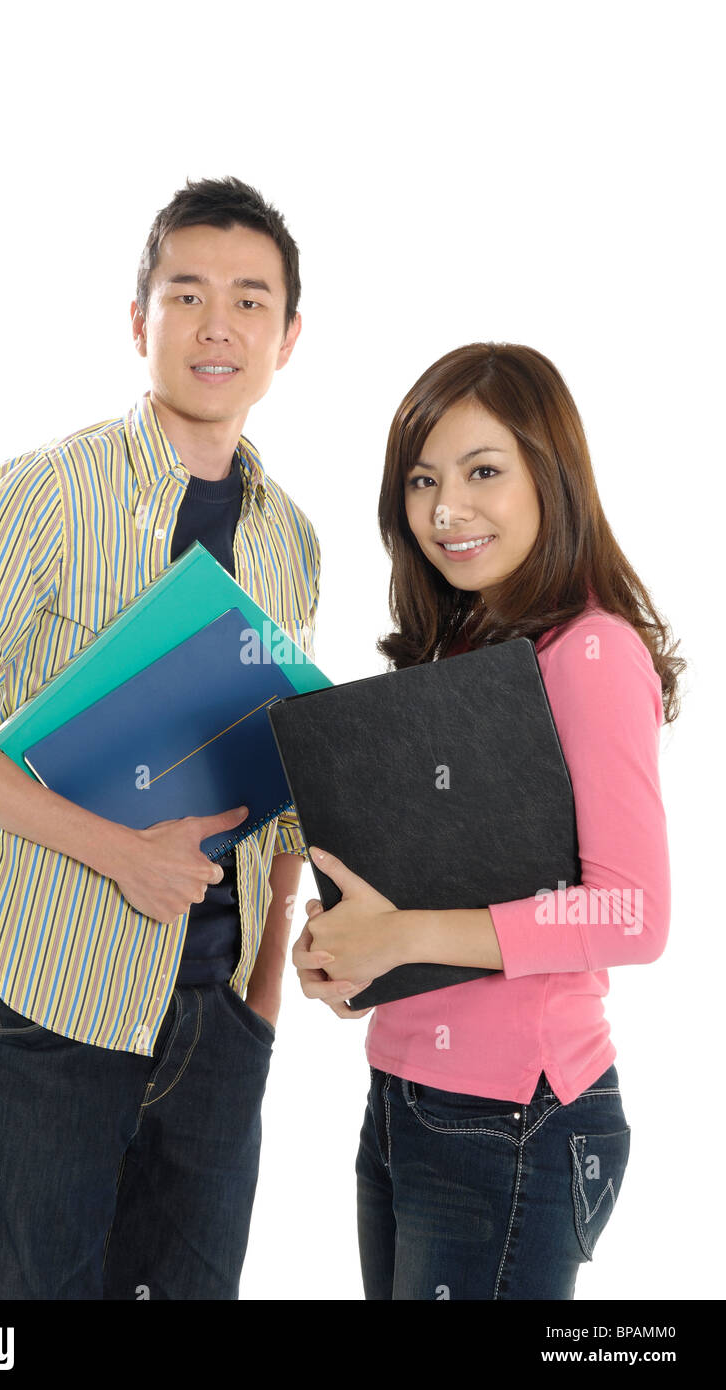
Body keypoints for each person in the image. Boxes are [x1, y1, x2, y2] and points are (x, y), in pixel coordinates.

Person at [0, 175, 320, 1300]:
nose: (217, 325)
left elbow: (281, 779)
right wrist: (117, 852)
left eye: (250, 301)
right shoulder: (45, 494)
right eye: (186, 295)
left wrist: (260, 996)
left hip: (217, 1027)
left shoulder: (292, 541)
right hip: (54, 1014)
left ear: (288, 337)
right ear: (139, 321)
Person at [293, 342, 681, 1300]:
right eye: (422, 480)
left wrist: (401, 935)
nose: (445, 510)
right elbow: (446, 891)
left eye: (482, 472)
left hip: (512, 1115)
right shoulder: (461, 649)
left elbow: (632, 914)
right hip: (407, 1098)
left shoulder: (589, 652)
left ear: (551, 476)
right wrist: (353, 956)